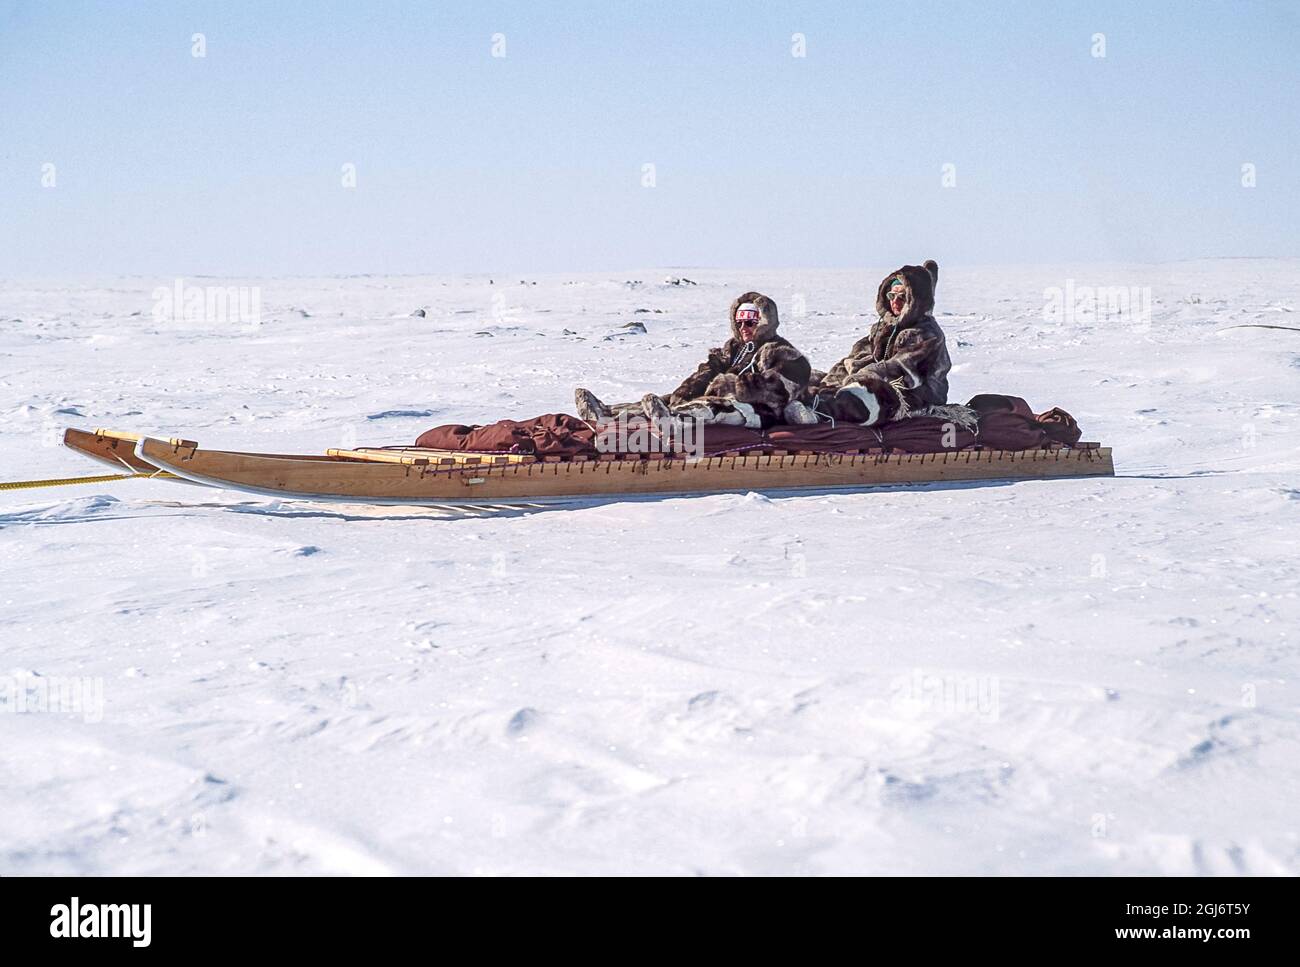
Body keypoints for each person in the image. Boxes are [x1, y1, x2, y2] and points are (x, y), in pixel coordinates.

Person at [575, 292, 812, 429]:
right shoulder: (733, 350)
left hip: (761, 413)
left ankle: (676, 422)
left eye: (750, 322)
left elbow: (779, 390)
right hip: (728, 399)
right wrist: (685, 391)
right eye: (739, 322)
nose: (744, 328)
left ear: (764, 321)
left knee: (713, 406)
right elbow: (707, 372)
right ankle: (611, 415)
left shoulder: (783, 352)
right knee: (669, 400)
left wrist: (730, 387)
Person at [793, 260, 952, 426]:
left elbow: (902, 370)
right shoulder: (884, 329)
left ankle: (820, 414)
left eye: (903, 297)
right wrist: (830, 383)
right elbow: (861, 356)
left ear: (915, 301)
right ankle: (801, 403)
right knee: (812, 378)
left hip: (917, 396)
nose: (895, 302)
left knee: (866, 394)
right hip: (883, 382)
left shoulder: (925, 334)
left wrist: (861, 378)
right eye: (892, 296)